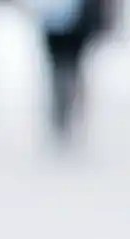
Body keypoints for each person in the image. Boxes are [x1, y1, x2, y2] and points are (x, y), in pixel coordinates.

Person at [29, 0, 115, 141]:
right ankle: (64, 109)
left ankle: (67, 108)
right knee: (64, 67)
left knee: (65, 67)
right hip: (58, 21)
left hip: (69, 22)